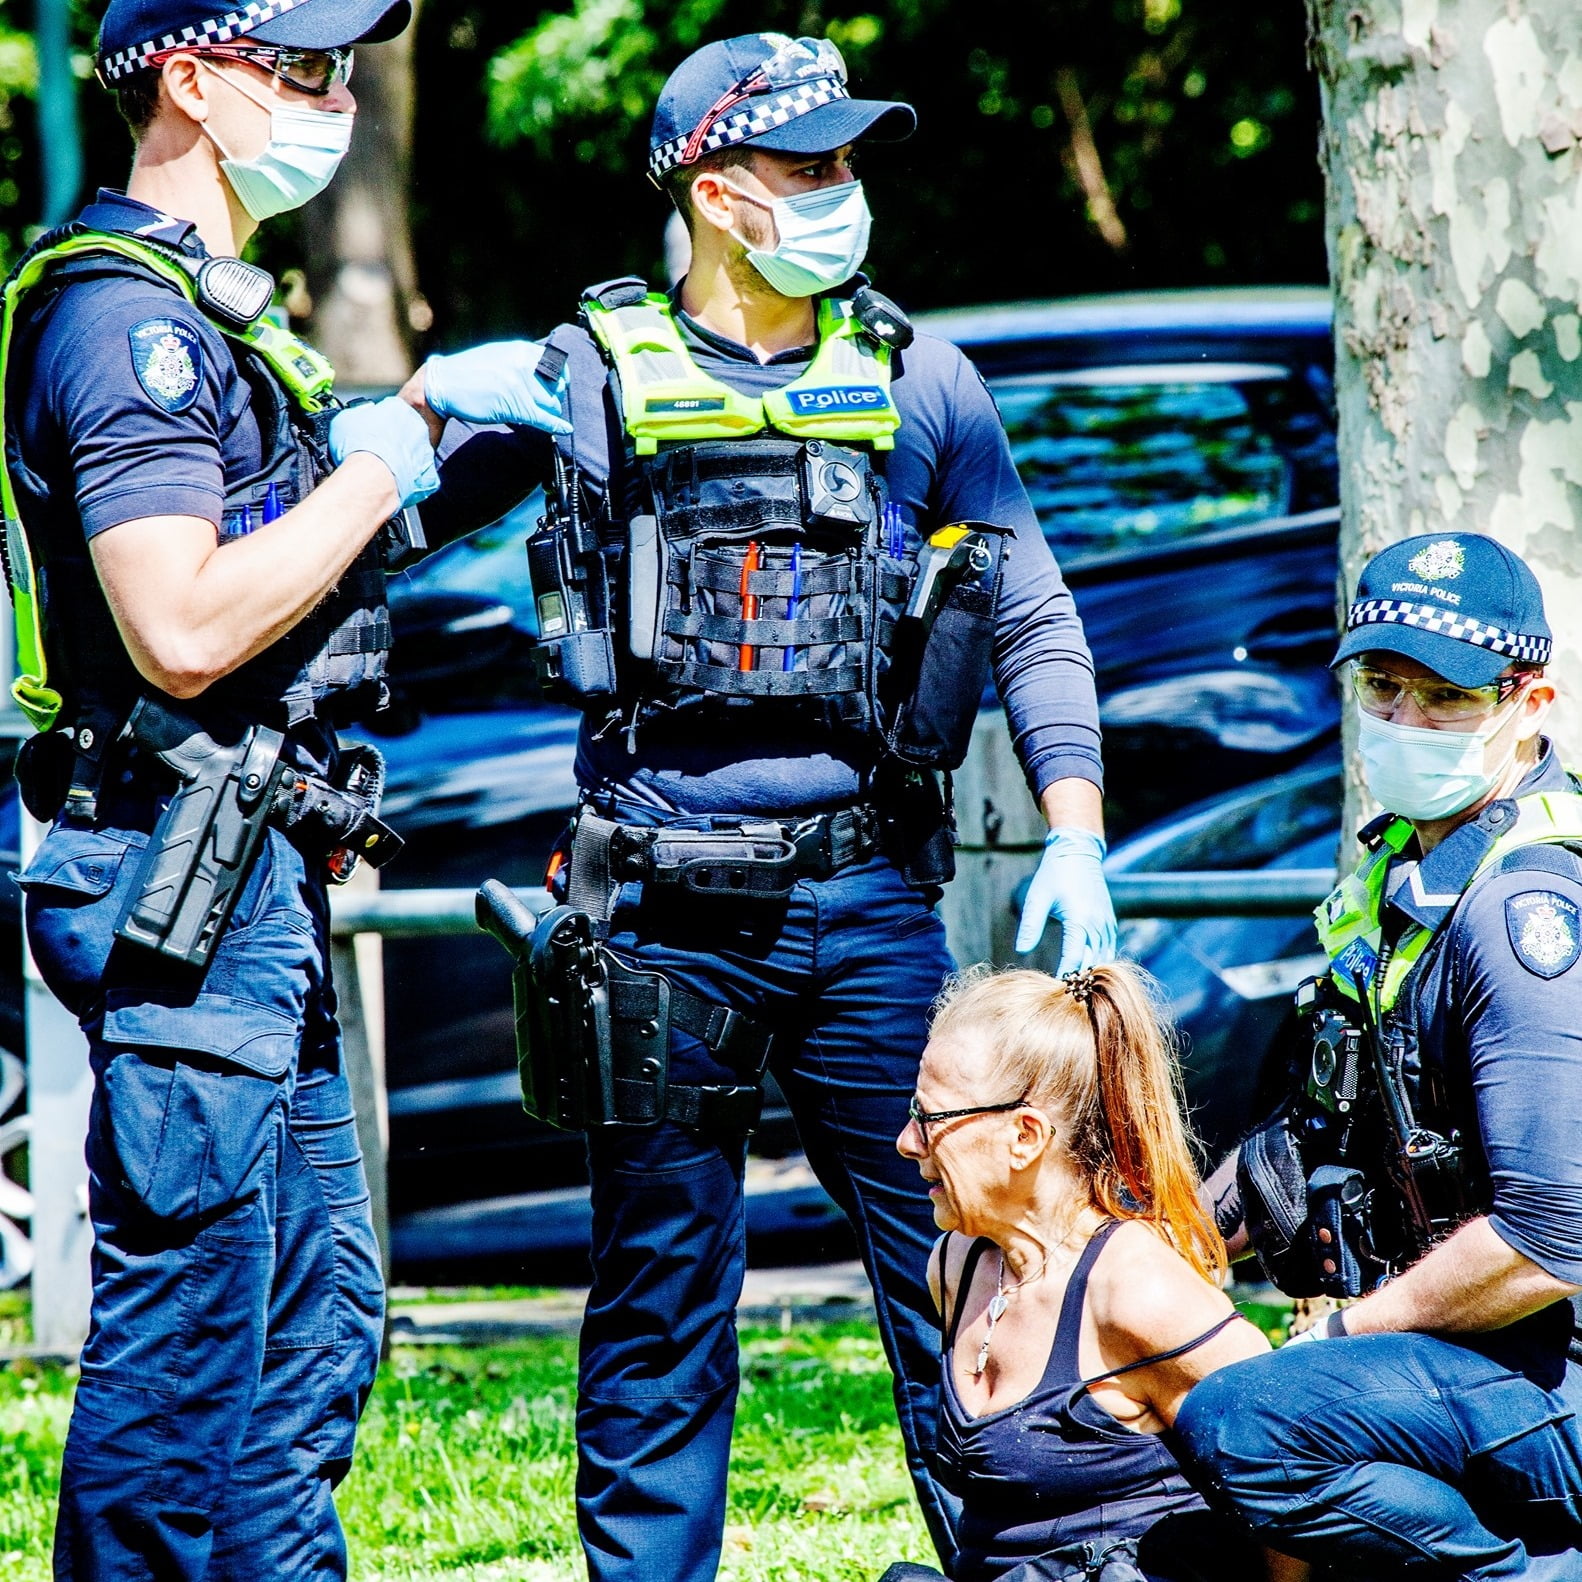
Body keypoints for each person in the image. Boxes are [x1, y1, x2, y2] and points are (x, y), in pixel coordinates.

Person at [413, 30, 1117, 1581]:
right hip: (657, 918)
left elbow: (1030, 613)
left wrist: (1071, 824)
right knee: (662, 1294)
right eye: (811, 168)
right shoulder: (586, 377)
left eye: (854, 163)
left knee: (971, 1265)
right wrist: (399, 421)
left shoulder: (919, 374)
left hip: (867, 902)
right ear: (720, 195)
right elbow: (373, 522)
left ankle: (1027, 1563)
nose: (846, 192)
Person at [0, 0, 492, 1573]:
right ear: (194, 78)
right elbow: (186, 622)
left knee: (308, 1333)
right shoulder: (117, 321)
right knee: (192, 1349)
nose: (333, 97)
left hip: (245, 868)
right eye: (303, 68)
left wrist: (444, 437)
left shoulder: (217, 315)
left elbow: (301, 571)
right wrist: (375, 459)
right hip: (176, 869)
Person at [1174, 532, 1582, 1581]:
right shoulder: (1410, 870)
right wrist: (1157, 1244)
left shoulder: (1518, 909)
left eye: (1444, 697)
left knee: (1247, 1425)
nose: (1403, 722)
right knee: (1175, 1535)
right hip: (1477, 1358)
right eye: (1383, 686)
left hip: (1554, 1372)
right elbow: (1313, 1118)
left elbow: (1546, 1238)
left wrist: (1348, 1330)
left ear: (1527, 704)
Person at [885, 963, 1273, 1582]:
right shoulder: (959, 1265)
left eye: (929, 1119)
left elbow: (1296, 1459)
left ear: (1024, 1136)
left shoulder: (1138, 1290)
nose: (908, 1142)